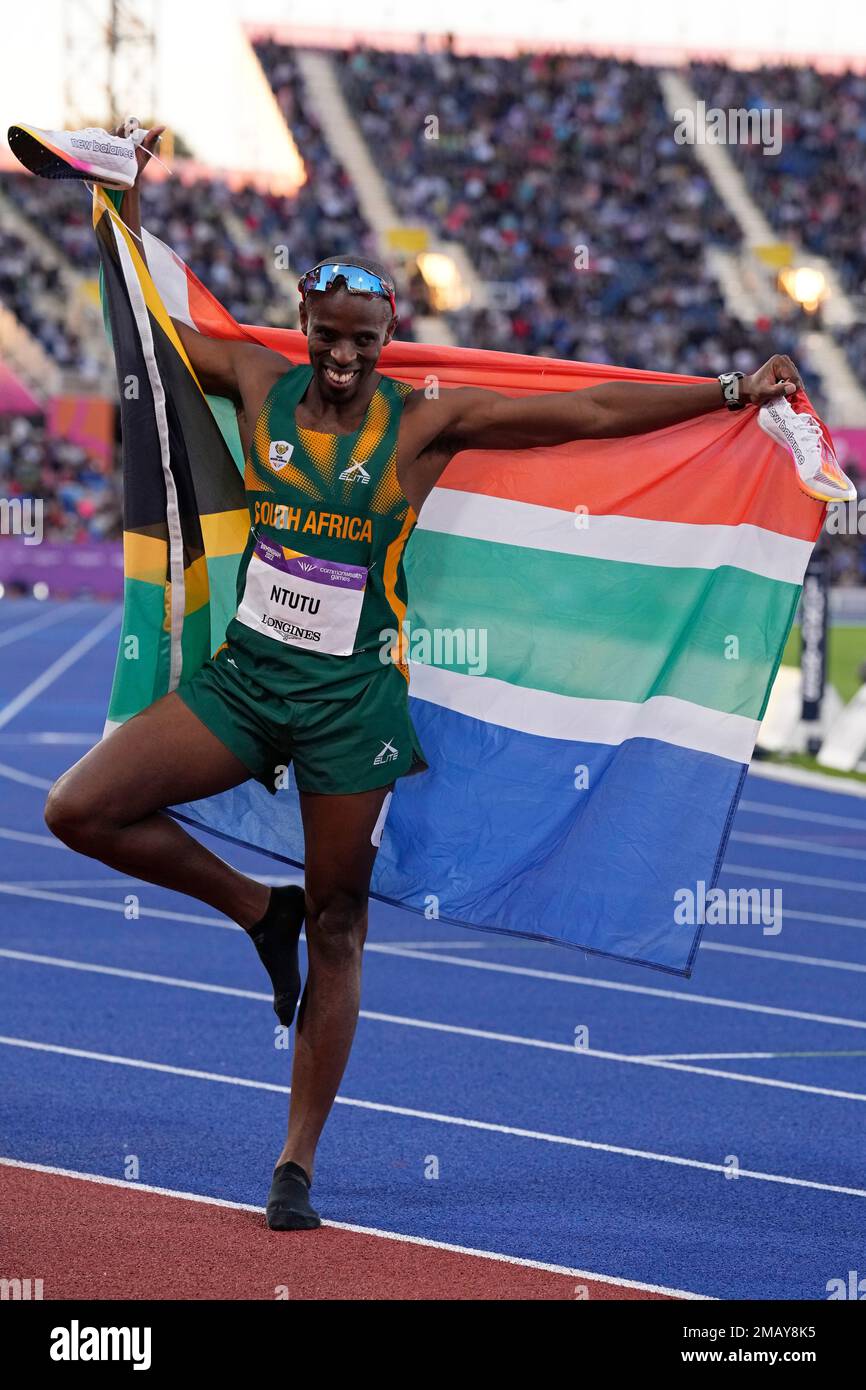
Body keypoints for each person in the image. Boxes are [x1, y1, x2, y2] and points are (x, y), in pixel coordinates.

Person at [44, 125, 809, 1230]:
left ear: (387, 339)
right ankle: (256, 907)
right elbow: (148, 326)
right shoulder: (256, 381)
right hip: (248, 678)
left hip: (351, 705)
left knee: (341, 923)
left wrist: (726, 389)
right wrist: (120, 202)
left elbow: (586, 414)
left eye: (363, 341)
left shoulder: (423, 423)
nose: (343, 358)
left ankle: (295, 1164)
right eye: (328, 337)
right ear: (303, 324)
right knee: (81, 808)